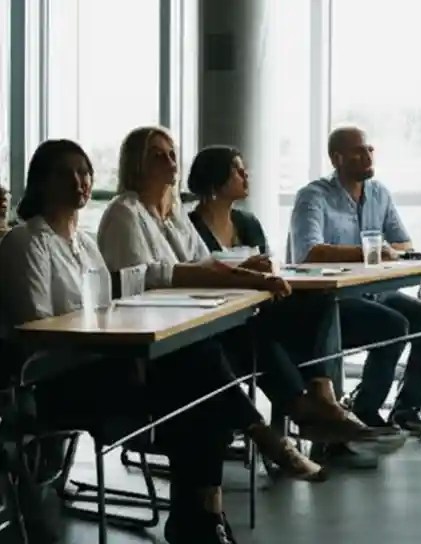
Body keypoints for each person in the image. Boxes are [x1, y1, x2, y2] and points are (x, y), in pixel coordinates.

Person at [0, 140, 306, 543]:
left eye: (85, 172)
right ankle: (218, 493)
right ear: (40, 183)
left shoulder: (85, 243)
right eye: (65, 173)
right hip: (58, 382)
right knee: (199, 379)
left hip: (107, 365)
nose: (79, 182)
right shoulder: (26, 242)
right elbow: (35, 329)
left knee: (201, 386)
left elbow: (111, 306)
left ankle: (203, 515)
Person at [95, 126, 332, 481]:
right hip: (151, 342)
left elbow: (203, 262)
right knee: (210, 355)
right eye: (157, 154)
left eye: (172, 153)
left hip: (187, 322)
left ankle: (301, 411)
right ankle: (273, 432)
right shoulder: (124, 213)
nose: (170, 161)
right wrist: (248, 278)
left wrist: (242, 269)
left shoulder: (173, 211)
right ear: (136, 164)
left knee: (257, 331)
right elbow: (156, 276)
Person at [187, 144, 373, 445]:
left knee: (321, 300)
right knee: (263, 337)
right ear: (216, 177)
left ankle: (321, 395)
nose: (245, 174)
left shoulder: (246, 221)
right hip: (221, 318)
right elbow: (199, 272)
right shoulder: (191, 227)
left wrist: (263, 270)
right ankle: (306, 411)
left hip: (259, 307)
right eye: (236, 169)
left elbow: (269, 263)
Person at [290, 126, 421, 447]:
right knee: (394, 324)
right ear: (337, 158)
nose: (368, 155)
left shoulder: (379, 194)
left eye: (370, 149)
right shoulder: (313, 197)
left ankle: (406, 409)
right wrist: (369, 252)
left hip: (374, 291)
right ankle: (365, 408)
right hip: (331, 302)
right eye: (359, 151)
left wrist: (387, 252)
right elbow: (308, 252)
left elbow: (402, 242)